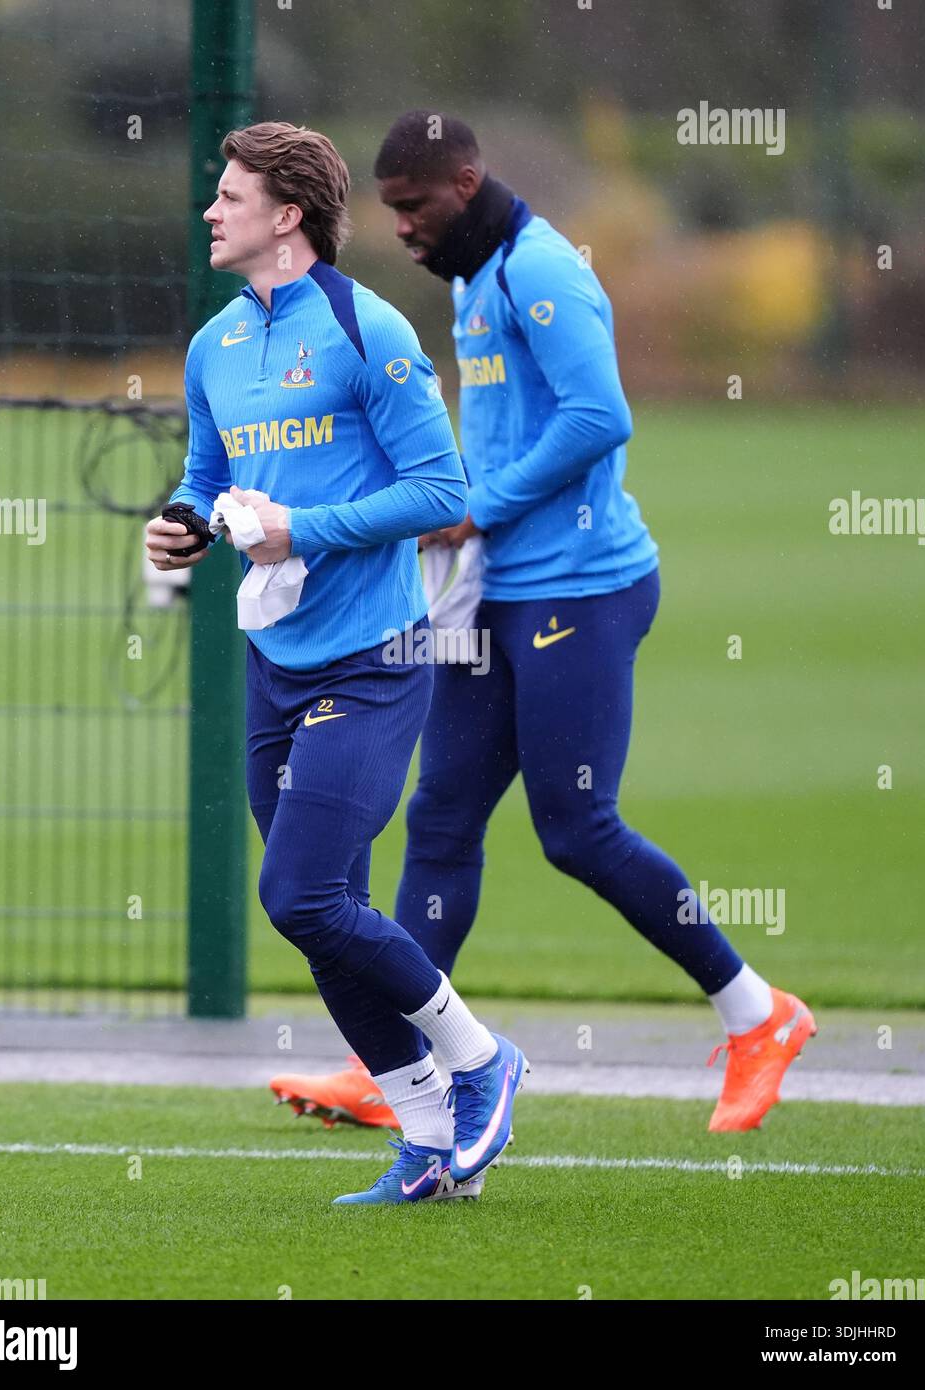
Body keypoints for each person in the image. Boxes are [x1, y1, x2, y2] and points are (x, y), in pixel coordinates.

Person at [275, 111, 815, 1138]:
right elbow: (514, 427)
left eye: (413, 207)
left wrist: (481, 505)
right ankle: (400, 1064)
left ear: (467, 180)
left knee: (578, 829)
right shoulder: (480, 279)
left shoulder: (541, 270)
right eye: (389, 212)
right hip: (501, 589)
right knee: (440, 818)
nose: (402, 230)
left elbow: (599, 416)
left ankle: (758, 1013)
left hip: (583, 586)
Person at [145, 121, 527, 1204]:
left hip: (376, 658)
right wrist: (181, 525)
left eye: (229, 195)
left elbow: (442, 496)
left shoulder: (373, 331)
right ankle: (425, 1144)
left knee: (300, 892)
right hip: (275, 662)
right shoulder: (215, 344)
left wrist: (299, 531)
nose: (211, 211)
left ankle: (482, 1059)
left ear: (288, 214)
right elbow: (208, 475)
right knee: (329, 914)